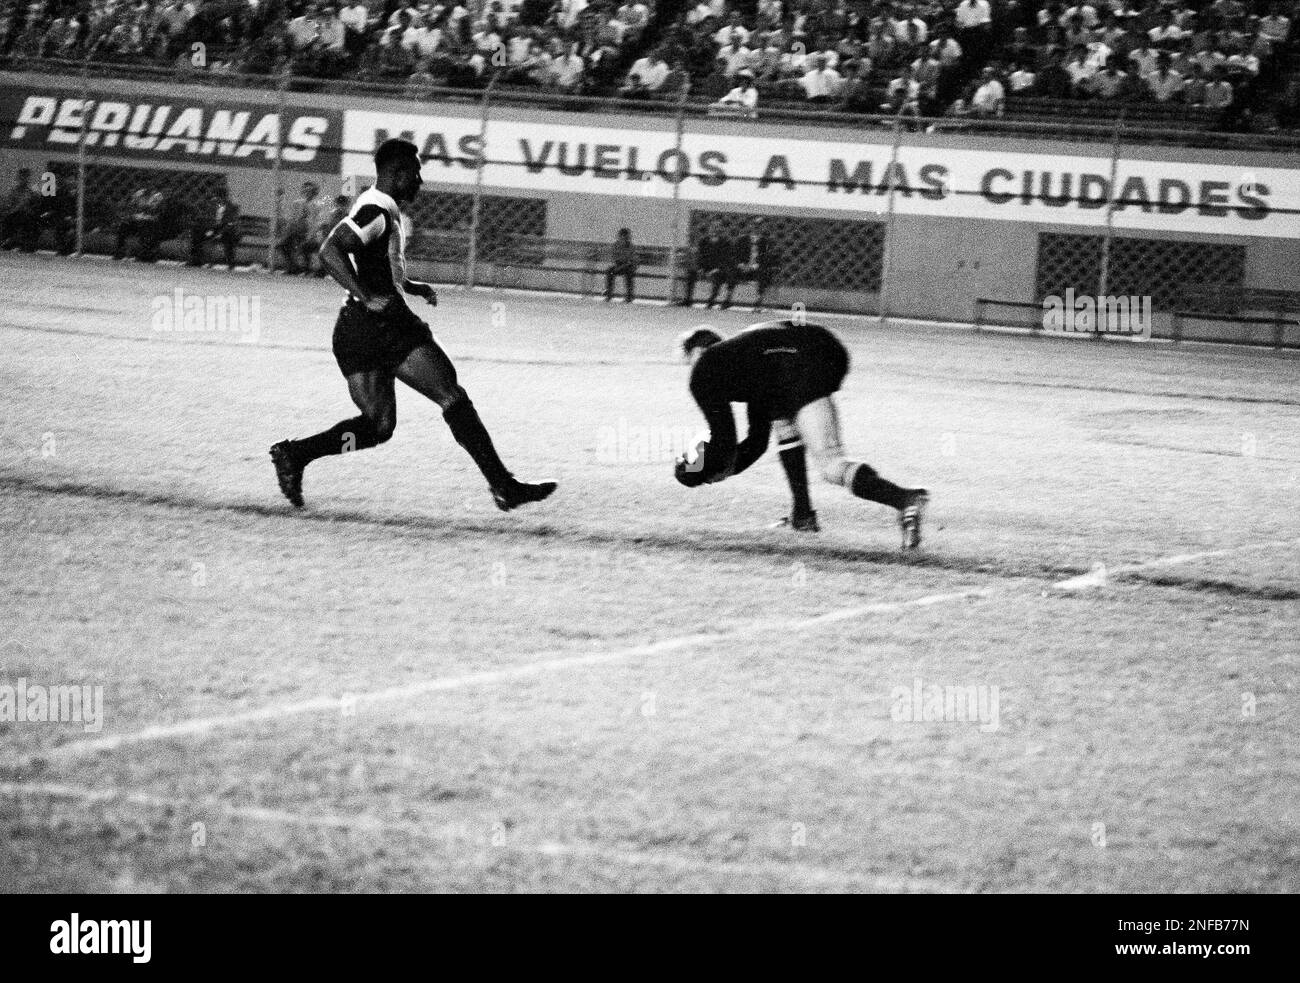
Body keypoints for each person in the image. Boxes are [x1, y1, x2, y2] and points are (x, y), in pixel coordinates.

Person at [269, 138, 555, 513]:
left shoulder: (381, 207)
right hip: (380, 324)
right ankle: (504, 486)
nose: (420, 181)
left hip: (353, 329)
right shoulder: (377, 211)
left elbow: (374, 262)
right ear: (397, 174)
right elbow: (330, 251)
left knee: (377, 427)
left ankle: (296, 454)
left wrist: (408, 285)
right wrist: (369, 296)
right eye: (415, 173)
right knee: (450, 394)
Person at [674, 322, 928, 547]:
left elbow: (724, 442)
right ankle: (803, 514)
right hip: (822, 350)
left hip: (800, 362)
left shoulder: (706, 370)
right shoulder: (750, 363)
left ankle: (904, 499)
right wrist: (718, 469)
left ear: (696, 352)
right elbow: (756, 443)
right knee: (786, 423)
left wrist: (697, 471)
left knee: (831, 464)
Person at [723, 217, 776, 311]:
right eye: (755, 225)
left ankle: (758, 303)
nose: (757, 228)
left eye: (759, 226)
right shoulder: (742, 239)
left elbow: (766, 258)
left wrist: (753, 266)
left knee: (764, 274)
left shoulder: (765, 242)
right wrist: (741, 265)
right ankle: (727, 299)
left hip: (756, 269)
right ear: (751, 226)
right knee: (733, 272)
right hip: (742, 268)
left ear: (762, 228)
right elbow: (734, 255)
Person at [679, 221, 733, 308]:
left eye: (717, 227)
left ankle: (711, 301)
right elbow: (700, 256)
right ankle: (688, 299)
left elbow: (725, 259)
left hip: (718, 268)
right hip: (705, 267)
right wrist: (701, 269)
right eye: (712, 227)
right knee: (691, 273)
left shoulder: (725, 242)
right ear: (709, 229)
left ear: (720, 230)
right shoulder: (703, 241)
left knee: (719, 276)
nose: (714, 230)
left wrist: (715, 270)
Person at [277, 181, 320, 274]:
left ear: (314, 193)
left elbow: (314, 223)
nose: (307, 193)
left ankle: (305, 268)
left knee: (304, 246)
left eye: (310, 191)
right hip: (295, 231)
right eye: (306, 190)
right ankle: (293, 267)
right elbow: (291, 218)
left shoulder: (316, 206)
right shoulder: (297, 203)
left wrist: (310, 236)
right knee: (283, 245)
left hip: (307, 233)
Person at [604, 227, 636, 303]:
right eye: (622, 236)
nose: (623, 238)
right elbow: (614, 257)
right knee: (609, 271)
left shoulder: (631, 246)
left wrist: (622, 265)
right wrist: (618, 265)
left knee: (629, 273)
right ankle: (609, 294)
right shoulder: (616, 245)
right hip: (619, 265)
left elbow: (631, 260)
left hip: (628, 266)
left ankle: (629, 296)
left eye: (625, 236)